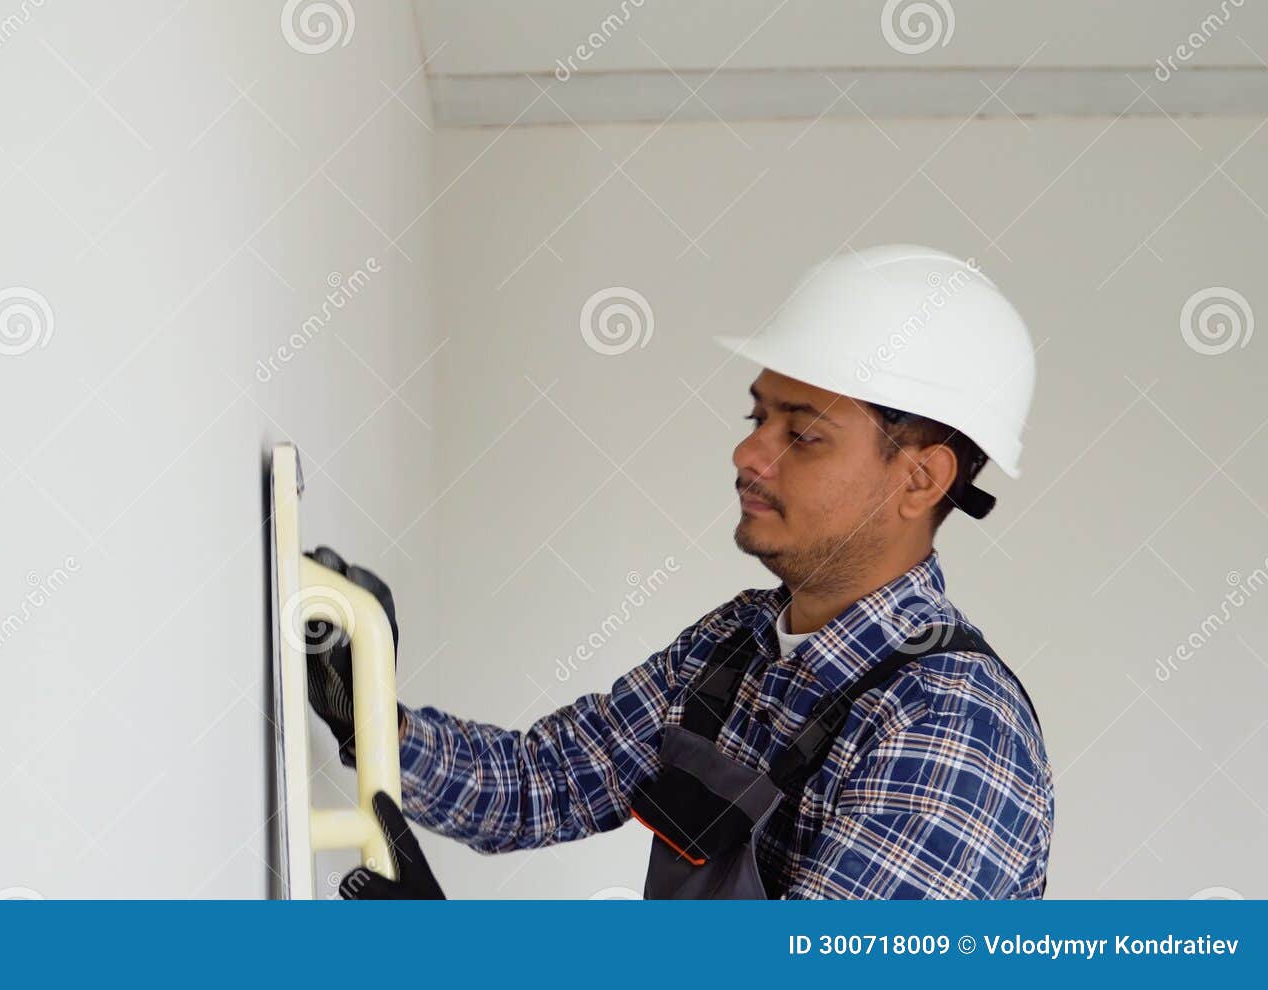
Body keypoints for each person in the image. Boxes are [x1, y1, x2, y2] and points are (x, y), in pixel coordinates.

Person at [307, 244, 1052, 899]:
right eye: (757, 419)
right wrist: (367, 712)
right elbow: (538, 786)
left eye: (805, 434)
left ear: (920, 480)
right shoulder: (733, 648)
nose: (751, 454)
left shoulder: (948, 727)